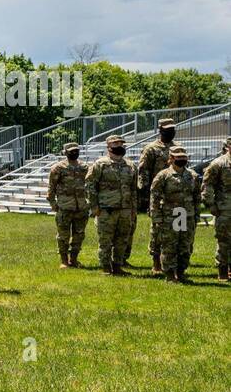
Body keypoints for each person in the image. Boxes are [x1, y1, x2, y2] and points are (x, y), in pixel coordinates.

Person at [86, 135, 138, 275]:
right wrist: (94, 207)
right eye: (116, 144)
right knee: (106, 240)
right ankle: (105, 267)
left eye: (121, 144)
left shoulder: (131, 165)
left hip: (125, 210)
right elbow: (90, 186)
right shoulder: (100, 164)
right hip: (106, 209)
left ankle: (117, 266)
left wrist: (133, 208)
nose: (119, 146)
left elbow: (133, 189)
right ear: (108, 147)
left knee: (122, 240)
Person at [137, 117, 180, 275]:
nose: (171, 132)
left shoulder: (178, 147)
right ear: (161, 130)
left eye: (173, 129)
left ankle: (173, 262)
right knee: (157, 230)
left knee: (177, 228)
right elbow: (143, 172)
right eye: (168, 129)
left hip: (177, 196)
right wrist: (146, 196)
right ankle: (156, 263)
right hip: (158, 196)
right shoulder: (151, 149)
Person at [150, 148, 199, 283]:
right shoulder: (163, 175)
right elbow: (154, 197)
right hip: (170, 216)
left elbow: (196, 197)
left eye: (184, 157)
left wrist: (196, 215)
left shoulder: (192, 175)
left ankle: (181, 273)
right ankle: (170, 274)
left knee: (185, 245)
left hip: (186, 215)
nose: (181, 159)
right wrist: (156, 216)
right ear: (171, 158)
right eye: (178, 157)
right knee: (170, 245)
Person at [46, 143, 89, 268]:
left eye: (76, 150)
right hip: (64, 207)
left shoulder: (84, 167)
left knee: (79, 235)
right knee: (63, 236)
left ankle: (74, 259)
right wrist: (53, 204)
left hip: (81, 207)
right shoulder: (58, 168)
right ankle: (64, 261)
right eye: (71, 151)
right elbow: (51, 187)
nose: (74, 153)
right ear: (65, 152)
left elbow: (90, 185)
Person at [201, 137, 231, 282]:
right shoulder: (218, 163)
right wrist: (211, 204)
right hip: (224, 209)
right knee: (224, 240)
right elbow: (207, 185)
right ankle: (223, 271)